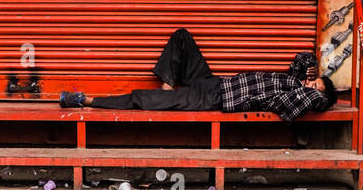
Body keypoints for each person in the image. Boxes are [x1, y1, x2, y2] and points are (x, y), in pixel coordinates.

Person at [60, 27, 338, 122]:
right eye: (312, 80)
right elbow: (302, 59)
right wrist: (312, 67)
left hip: (213, 99)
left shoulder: (295, 99)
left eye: (314, 86)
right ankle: (169, 87)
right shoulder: (294, 79)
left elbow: (303, 104)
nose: (309, 82)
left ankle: (85, 100)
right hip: (215, 82)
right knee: (182, 37)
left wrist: (317, 91)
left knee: (141, 98)